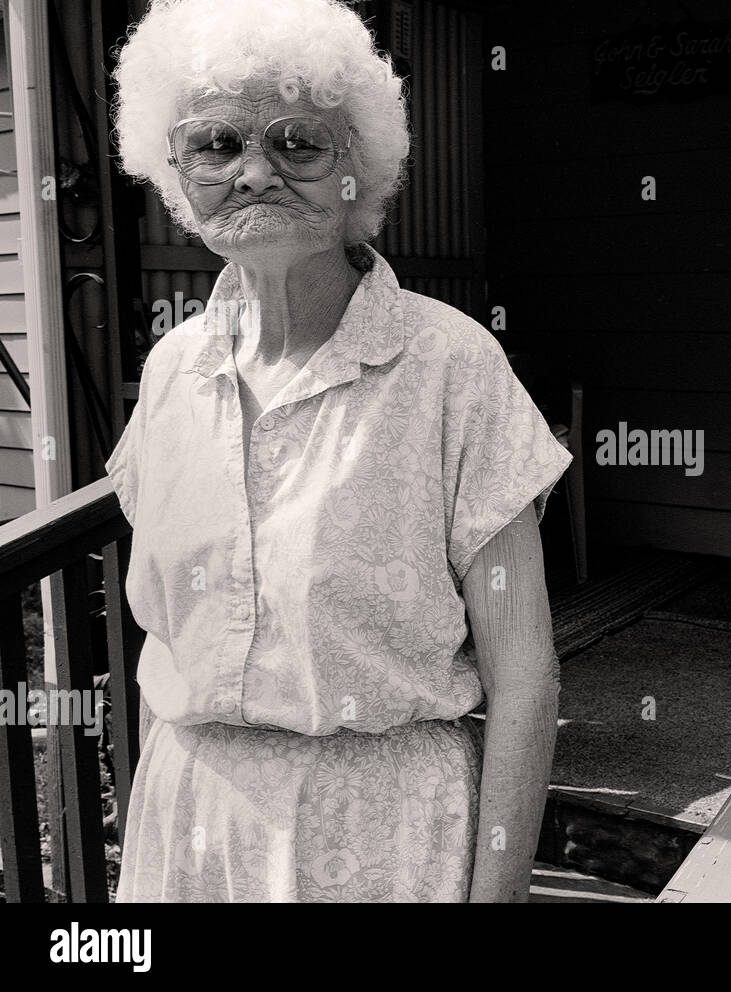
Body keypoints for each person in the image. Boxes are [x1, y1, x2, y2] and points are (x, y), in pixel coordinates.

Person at [105, 0, 571, 901]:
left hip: (386, 839)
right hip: (191, 827)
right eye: (214, 144)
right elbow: (164, 642)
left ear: (357, 168)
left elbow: (524, 679)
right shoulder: (168, 372)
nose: (253, 173)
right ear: (173, 175)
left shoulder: (451, 364)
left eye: (297, 143)